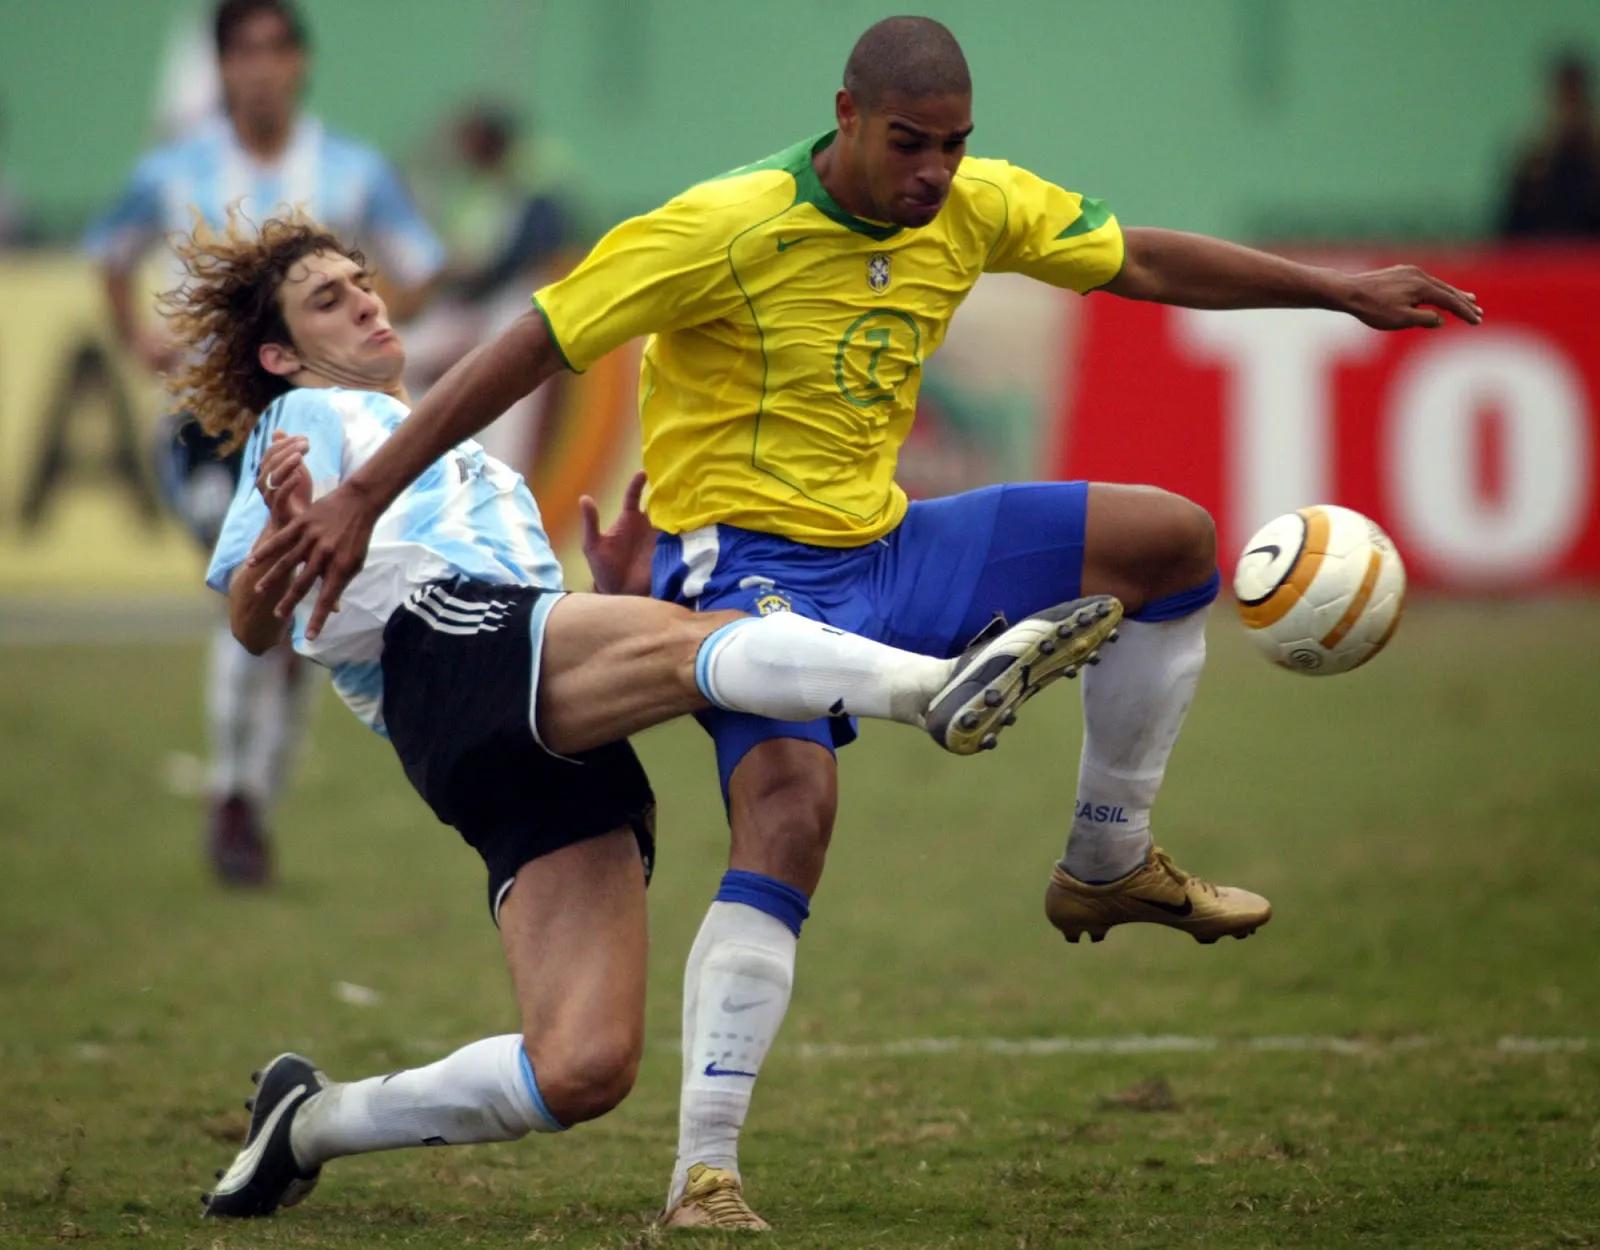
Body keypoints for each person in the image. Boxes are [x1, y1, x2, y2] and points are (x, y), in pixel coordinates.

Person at [248, 16, 1482, 1229]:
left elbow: (1142, 259)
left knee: (1172, 541)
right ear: (845, 118)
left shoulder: (972, 202)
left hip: (889, 546)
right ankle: (705, 1176)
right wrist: (365, 490)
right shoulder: (721, 226)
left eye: (953, 144)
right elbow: (534, 341)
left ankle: (1104, 858)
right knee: (791, 814)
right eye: (909, 143)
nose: (934, 172)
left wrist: (1334, 290)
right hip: (736, 568)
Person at [168, 209, 1119, 1218]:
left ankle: (309, 1121)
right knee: (691, 647)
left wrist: (603, 592)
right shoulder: (305, 421)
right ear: (281, 353)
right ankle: (934, 687)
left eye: (362, 280)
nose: (363, 298)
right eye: (327, 297)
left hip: (497, 714)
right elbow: (251, 622)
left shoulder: (442, 448)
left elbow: (513, 609)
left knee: (581, 1066)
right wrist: (274, 550)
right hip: (443, 649)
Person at [84, 0, 445, 886]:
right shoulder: (174, 170)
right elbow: (110, 252)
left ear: (301, 64)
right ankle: (235, 800)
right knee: (252, 590)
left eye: (277, 49)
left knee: (294, 619)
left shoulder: (353, 171)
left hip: (327, 431)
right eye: (242, 51)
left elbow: (424, 271)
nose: (261, 68)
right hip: (211, 429)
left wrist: (366, 333)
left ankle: (249, 799)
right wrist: (139, 335)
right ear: (221, 69)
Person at [1501, 52, 1600, 239]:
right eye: (1563, 102)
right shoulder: (1531, 167)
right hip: (1539, 263)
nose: (1569, 114)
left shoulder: (1594, 165)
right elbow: (1509, 238)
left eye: (1574, 102)